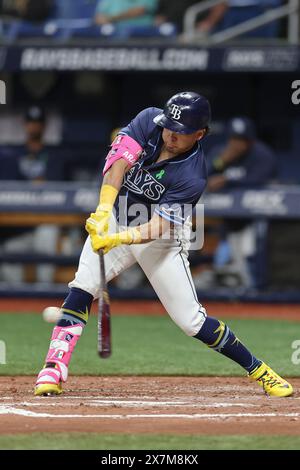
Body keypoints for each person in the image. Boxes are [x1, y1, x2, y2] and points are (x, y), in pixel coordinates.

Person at [34, 92, 292, 398]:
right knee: (82, 288)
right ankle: (53, 368)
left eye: (180, 132)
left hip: (160, 239)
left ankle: (259, 370)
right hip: (118, 217)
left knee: (191, 321)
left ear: (200, 134)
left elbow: (158, 227)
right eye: (169, 127)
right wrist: (104, 211)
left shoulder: (193, 175)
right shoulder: (148, 120)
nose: (170, 135)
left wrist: (117, 239)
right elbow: (117, 163)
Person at [197, 116, 276, 288]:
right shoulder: (221, 153)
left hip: (256, 220)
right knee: (227, 262)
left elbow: (258, 180)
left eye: (242, 140)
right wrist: (221, 162)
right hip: (229, 222)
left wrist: (227, 181)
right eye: (234, 139)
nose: (237, 144)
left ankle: (258, 290)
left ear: (250, 141)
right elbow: (202, 176)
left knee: (250, 258)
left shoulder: (262, 155)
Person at [0, 105, 64, 283]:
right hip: (19, 228)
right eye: (30, 122)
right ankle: (17, 306)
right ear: (24, 124)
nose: (34, 126)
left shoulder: (54, 155)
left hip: (44, 222)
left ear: (44, 125)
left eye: (38, 123)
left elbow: (60, 190)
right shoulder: (11, 155)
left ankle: (47, 293)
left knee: (49, 232)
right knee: (9, 253)